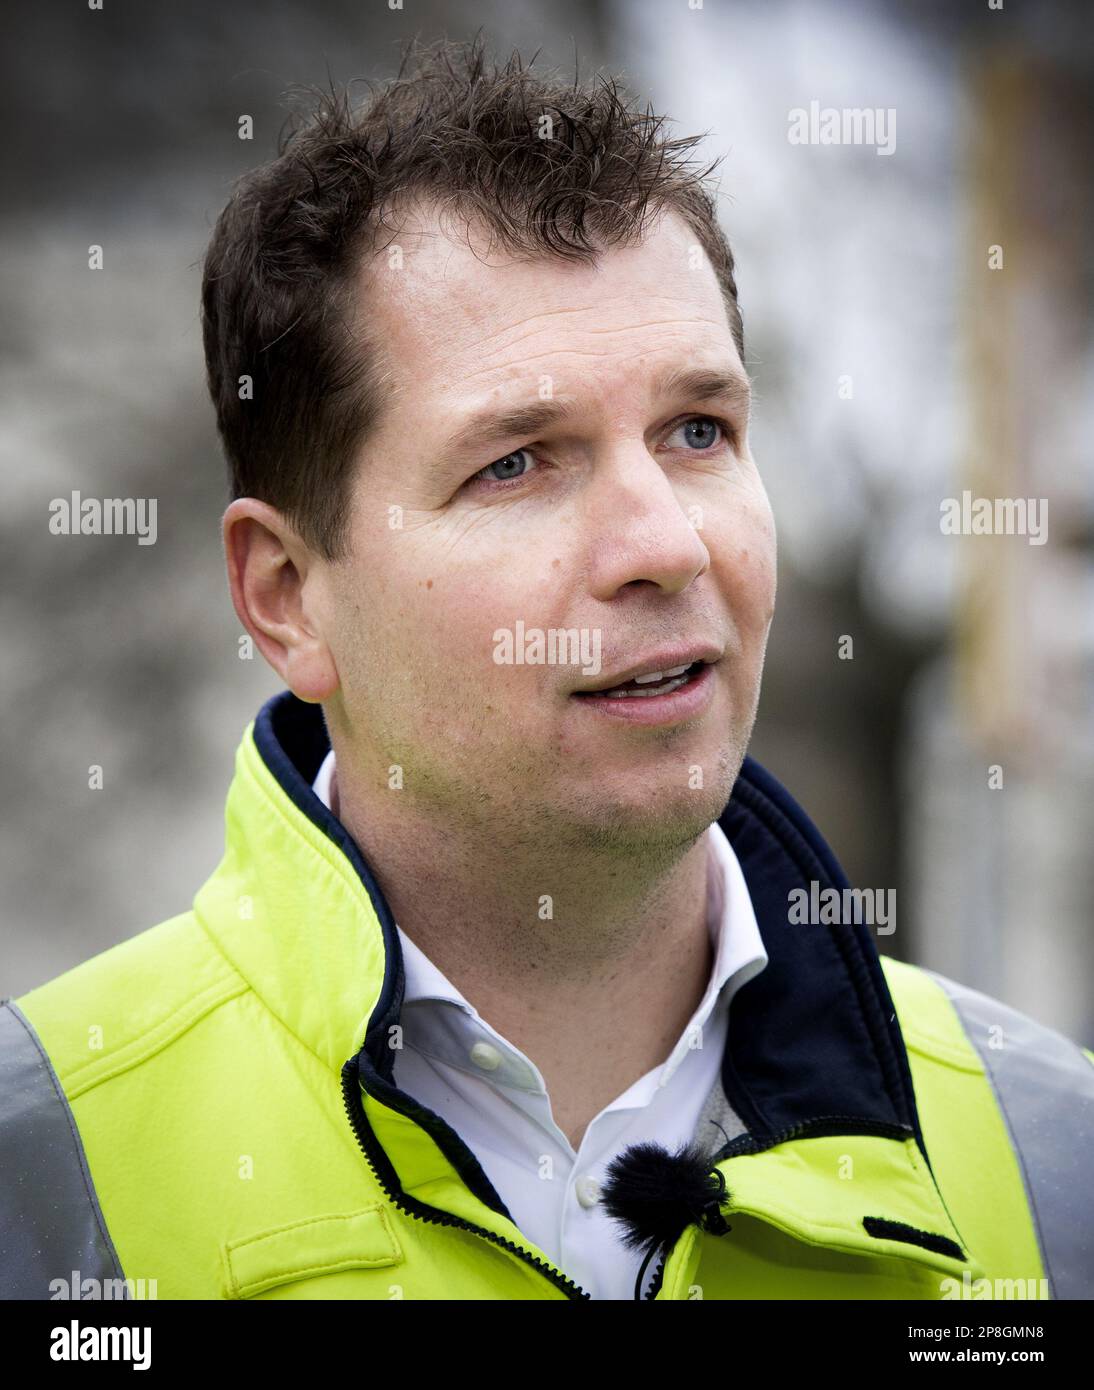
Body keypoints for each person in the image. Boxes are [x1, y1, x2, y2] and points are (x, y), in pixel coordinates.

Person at [2, 37, 1091, 1302]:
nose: (665, 545)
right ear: (288, 597)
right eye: (516, 462)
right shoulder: (43, 1179)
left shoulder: (1047, 1160)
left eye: (698, 431)